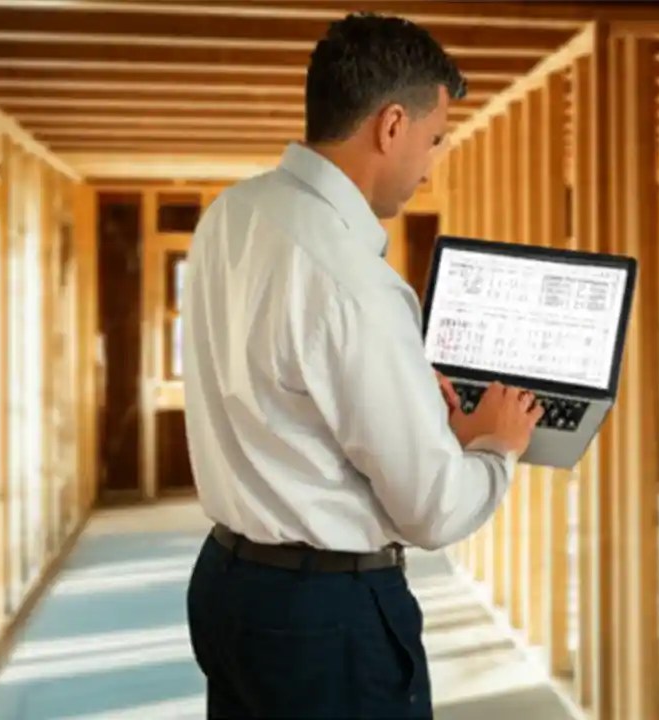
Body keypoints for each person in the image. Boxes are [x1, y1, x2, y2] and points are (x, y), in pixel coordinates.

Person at [181, 12, 544, 719]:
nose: (431, 163)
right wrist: (498, 445)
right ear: (391, 125)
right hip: (325, 619)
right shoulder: (355, 279)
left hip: (229, 585)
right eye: (434, 139)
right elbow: (434, 510)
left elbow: (287, 395)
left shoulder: (232, 214)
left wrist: (419, 411)